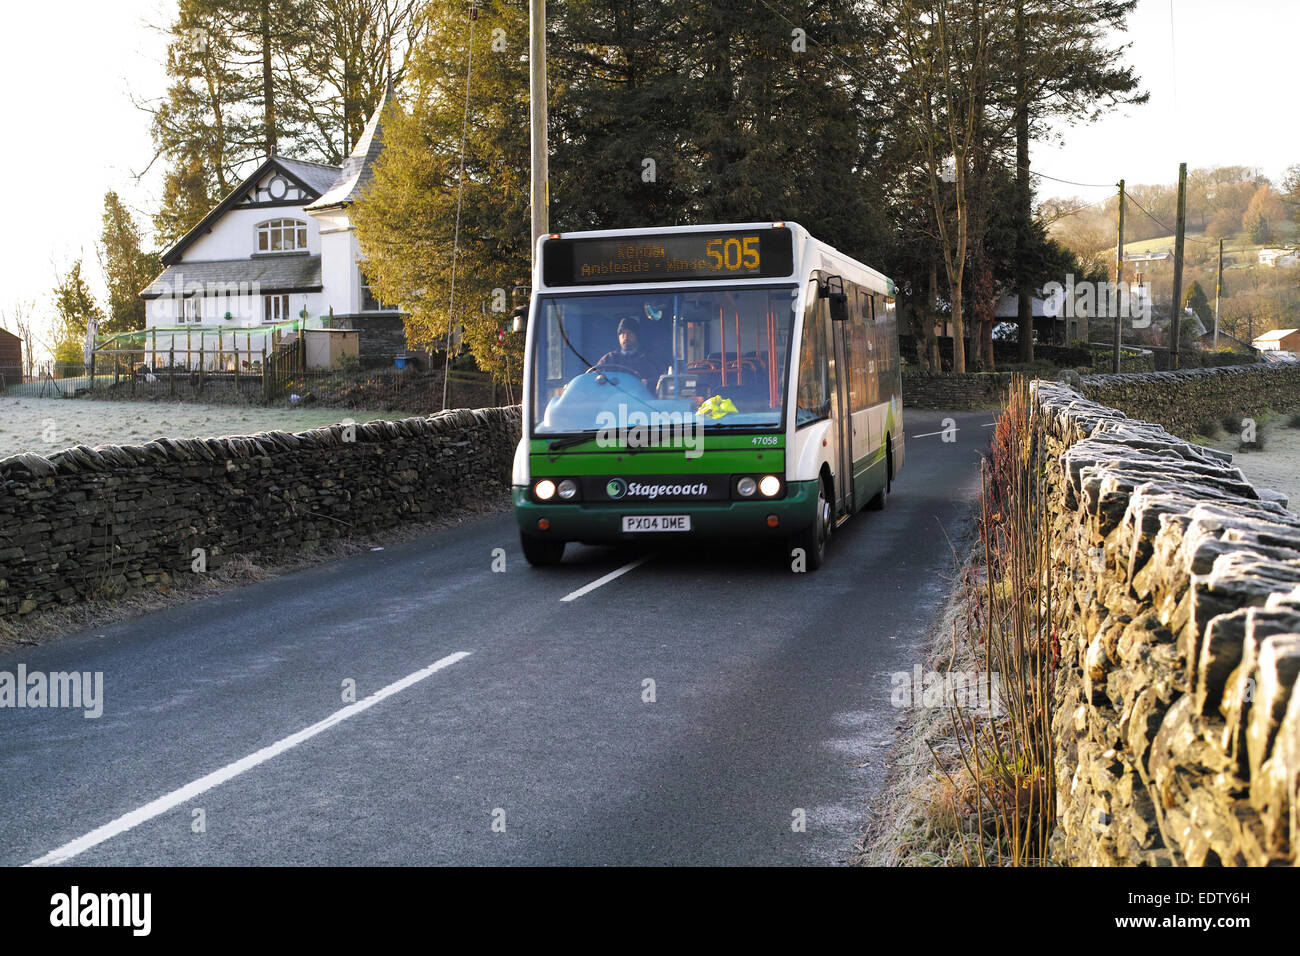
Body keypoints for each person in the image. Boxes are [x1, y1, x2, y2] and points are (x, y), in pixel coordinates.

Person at [594, 316, 663, 389]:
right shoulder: (608, 359)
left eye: (630, 333)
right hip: (611, 398)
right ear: (618, 337)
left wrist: (647, 383)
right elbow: (594, 379)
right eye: (623, 333)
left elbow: (661, 381)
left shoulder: (648, 358)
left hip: (641, 399)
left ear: (637, 336)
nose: (626, 336)